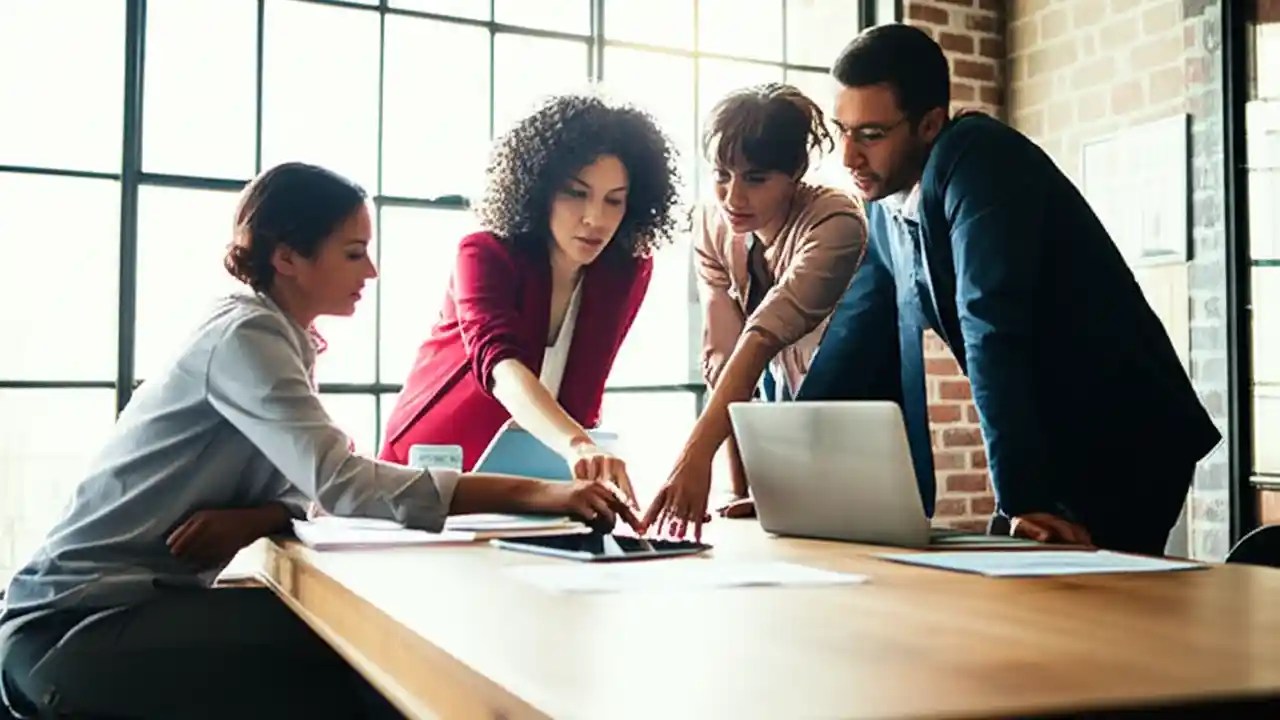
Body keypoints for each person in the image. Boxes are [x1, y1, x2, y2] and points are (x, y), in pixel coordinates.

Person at [0, 162, 639, 719]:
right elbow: (343, 482)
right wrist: (541, 493)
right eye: (353, 252)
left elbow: (308, 488)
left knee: (362, 653)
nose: (373, 270)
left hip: (131, 609)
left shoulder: (281, 337)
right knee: (366, 658)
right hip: (71, 629)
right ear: (287, 258)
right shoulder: (247, 338)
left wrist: (258, 515)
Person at [796, 25, 1221, 555]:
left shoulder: (979, 159)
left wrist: (1021, 495)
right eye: (844, 131)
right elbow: (853, 333)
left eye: (872, 134)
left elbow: (988, 321)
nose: (848, 157)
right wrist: (790, 477)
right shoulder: (885, 208)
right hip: (1054, 439)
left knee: (1095, 620)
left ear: (930, 124)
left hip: (1123, 436)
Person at [380, 93, 681, 506]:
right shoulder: (483, 253)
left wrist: (586, 460)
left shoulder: (626, 273)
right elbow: (501, 368)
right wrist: (578, 445)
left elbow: (587, 381)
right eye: (577, 193)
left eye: (614, 200)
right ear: (541, 189)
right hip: (437, 462)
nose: (596, 218)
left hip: (541, 474)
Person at [642, 83, 868, 537]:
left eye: (756, 178)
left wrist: (694, 455)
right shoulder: (711, 222)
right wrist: (742, 490)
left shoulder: (835, 222)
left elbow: (764, 334)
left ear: (796, 172)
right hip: (783, 430)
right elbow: (726, 360)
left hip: (855, 424)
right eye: (722, 174)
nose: (733, 197)